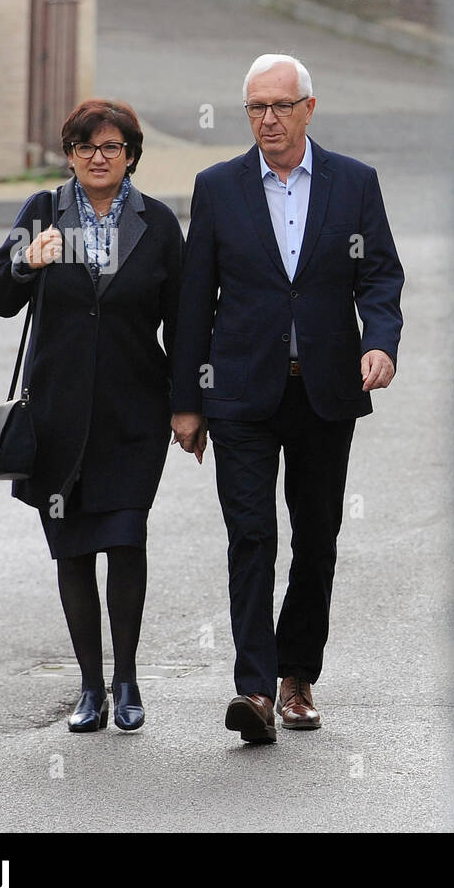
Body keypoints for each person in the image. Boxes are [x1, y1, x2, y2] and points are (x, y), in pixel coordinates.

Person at [170, 53, 404, 743]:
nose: (266, 120)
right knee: (251, 535)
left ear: (308, 107)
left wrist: (381, 341)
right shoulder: (218, 187)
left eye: (279, 106)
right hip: (240, 393)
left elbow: (381, 276)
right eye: (254, 108)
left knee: (316, 538)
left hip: (325, 391)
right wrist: (187, 401)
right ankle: (255, 689)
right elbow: (194, 302)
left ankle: (297, 675)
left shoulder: (354, 183)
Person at [0, 99, 184, 733]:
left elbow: (181, 324)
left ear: (130, 157)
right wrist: (26, 262)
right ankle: (90, 688)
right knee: (71, 549)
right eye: (86, 148)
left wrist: (187, 407)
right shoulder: (43, 213)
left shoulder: (157, 224)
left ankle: (126, 681)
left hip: (133, 415)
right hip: (59, 415)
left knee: (125, 540)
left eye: (112, 147)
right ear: (69, 155)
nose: (99, 158)